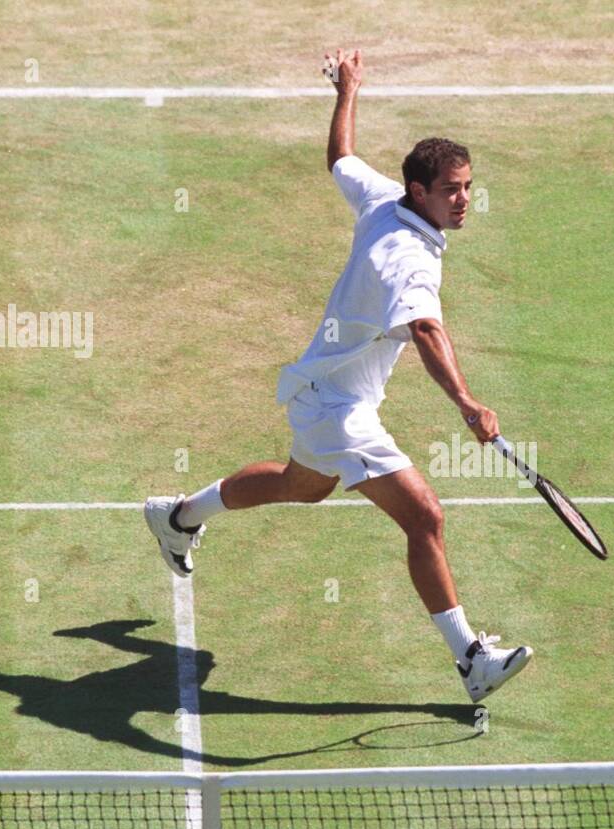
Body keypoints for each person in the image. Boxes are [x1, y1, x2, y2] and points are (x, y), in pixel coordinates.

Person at [145, 48, 532, 703]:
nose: (465, 200)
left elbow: (340, 159)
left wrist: (347, 89)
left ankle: (177, 515)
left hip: (327, 393)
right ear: (420, 193)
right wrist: (466, 401)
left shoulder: (383, 199)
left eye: (468, 185)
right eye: (453, 190)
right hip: (337, 409)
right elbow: (429, 330)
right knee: (425, 519)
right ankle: (471, 659)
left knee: (304, 485)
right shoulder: (409, 259)